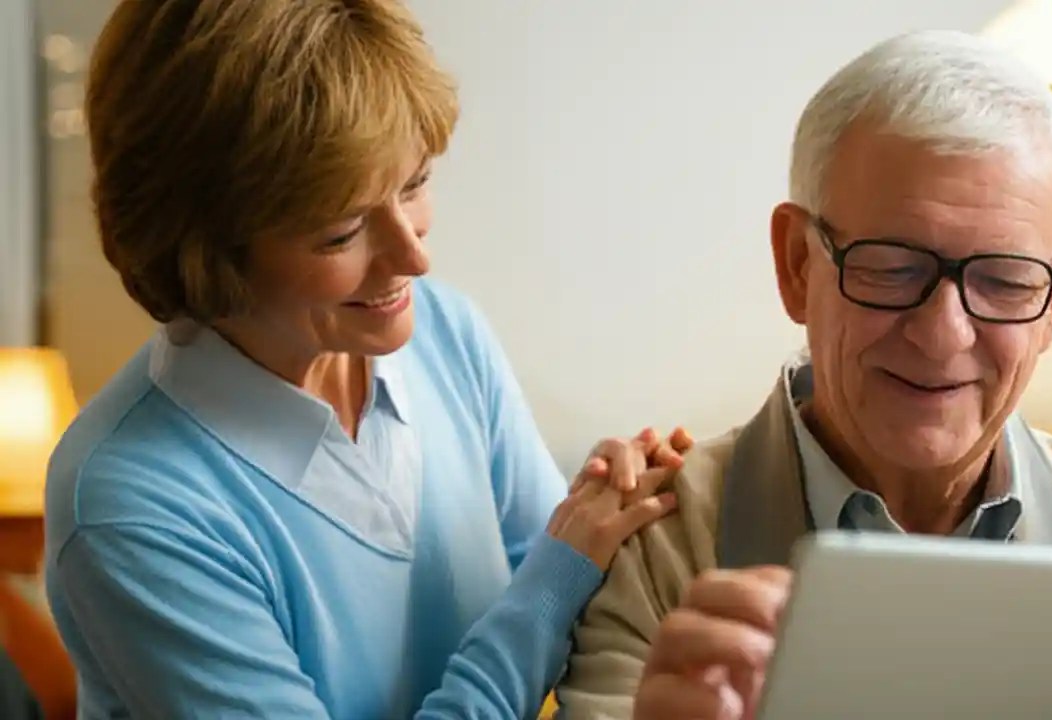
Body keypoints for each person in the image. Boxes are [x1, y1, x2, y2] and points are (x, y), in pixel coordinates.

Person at [554, 29, 1052, 720]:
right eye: (892, 267)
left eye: (1004, 280)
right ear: (798, 264)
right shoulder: (655, 543)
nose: (943, 335)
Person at [42, 2, 692, 719]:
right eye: (341, 232)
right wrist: (558, 574)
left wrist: (613, 511)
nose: (414, 256)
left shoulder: (447, 336)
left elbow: (578, 598)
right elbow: (554, 586)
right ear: (204, 242)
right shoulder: (132, 506)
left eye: (413, 184)